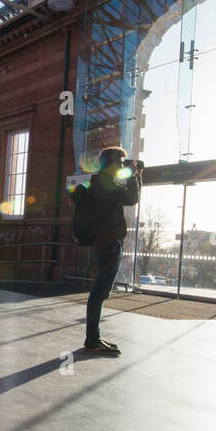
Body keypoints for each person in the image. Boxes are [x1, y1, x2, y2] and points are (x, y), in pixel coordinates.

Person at [83, 147, 142, 355]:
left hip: (104, 243)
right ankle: (92, 340)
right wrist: (134, 177)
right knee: (100, 291)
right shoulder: (105, 183)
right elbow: (132, 198)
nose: (123, 166)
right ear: (113, 163)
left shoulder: (99, 181)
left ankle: (94, 337)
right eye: (121, 163)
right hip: (108, 244)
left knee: (100, 291)